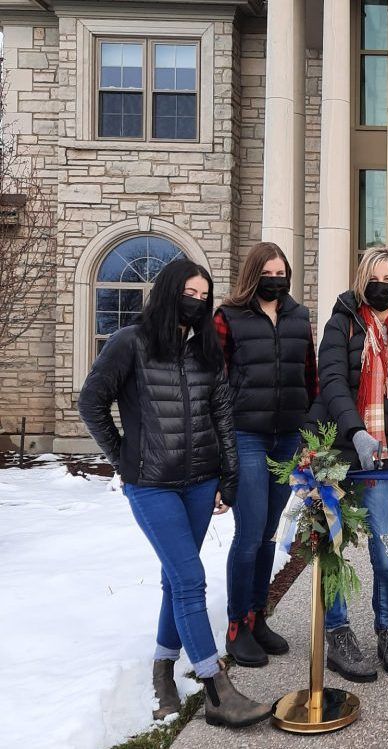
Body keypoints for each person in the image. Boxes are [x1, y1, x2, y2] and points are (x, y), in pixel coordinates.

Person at [78, 259, 270, 728]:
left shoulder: (205, 349)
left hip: (201, 483)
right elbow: (91, 401)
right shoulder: (130, 343)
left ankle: (163, 667)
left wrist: (228, 476)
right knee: (190, 578)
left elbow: (222, 412)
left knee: (173, 579)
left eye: (204, 297)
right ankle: (216, 687)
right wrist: (124, 454)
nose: (197, 302)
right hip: (152, 486)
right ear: (168, 291)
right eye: (190, 292)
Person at [316, 246, 388, 682]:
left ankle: (387, 628)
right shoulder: (341, 322)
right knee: (334, 551)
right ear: (362, 279)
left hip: (385, 460)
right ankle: (338, 632)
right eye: (375, 276)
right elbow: (330, 381)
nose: (382, 285)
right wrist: (355, 433)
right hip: (337, 453)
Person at [214, 241, 318, 668]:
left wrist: (309, 430)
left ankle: (258, 615)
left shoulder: (299, 316)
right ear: (254, 275)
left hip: (287, 437)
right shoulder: (228, 318)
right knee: (250, 532)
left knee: (271, 534)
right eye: (269, 272)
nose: (277, 279)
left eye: (283, 272)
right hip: (247, 436)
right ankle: (237, 624)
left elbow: (308, 375)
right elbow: (216, 383)